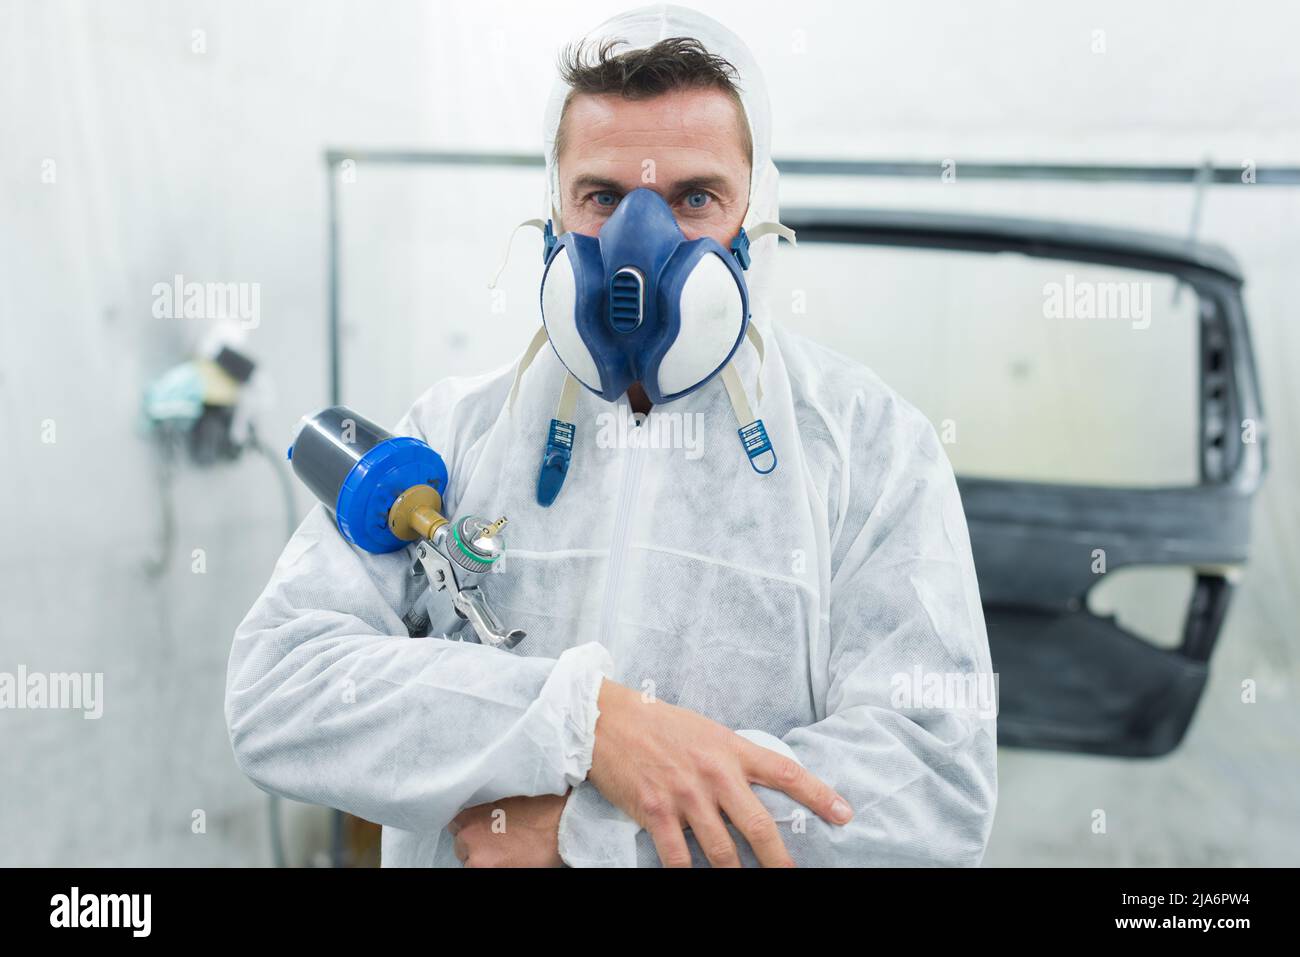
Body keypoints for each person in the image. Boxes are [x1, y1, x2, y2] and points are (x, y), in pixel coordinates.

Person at [226, 3, 997, 868]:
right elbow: (279, 687)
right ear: (552, 212)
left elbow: (930, 789)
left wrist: (590, 833)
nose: (640, 246)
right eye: (602, 198)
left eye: (693, 198)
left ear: (757, 214)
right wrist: (587, 722)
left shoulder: (868, 446)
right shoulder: (453, 434)